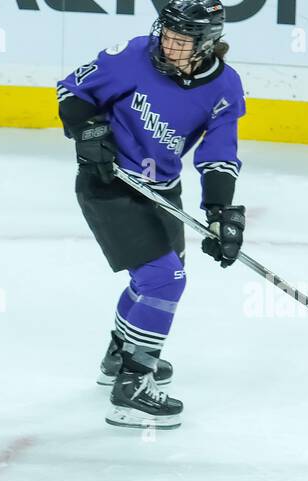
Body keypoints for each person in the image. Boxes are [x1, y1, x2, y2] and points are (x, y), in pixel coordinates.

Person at [57, 0, 245, 429]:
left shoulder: (225, 87)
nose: (167, 44)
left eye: (180, 40)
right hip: (108, 186)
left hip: (162, 189)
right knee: (164, 279)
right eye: (166, 33)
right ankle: (134, 384)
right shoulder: (132, 55)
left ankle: (120, 354)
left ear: (207, 45)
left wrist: (220, 212)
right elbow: (72, 91)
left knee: (159, 276)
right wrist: (89, 132)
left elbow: (219, 154)